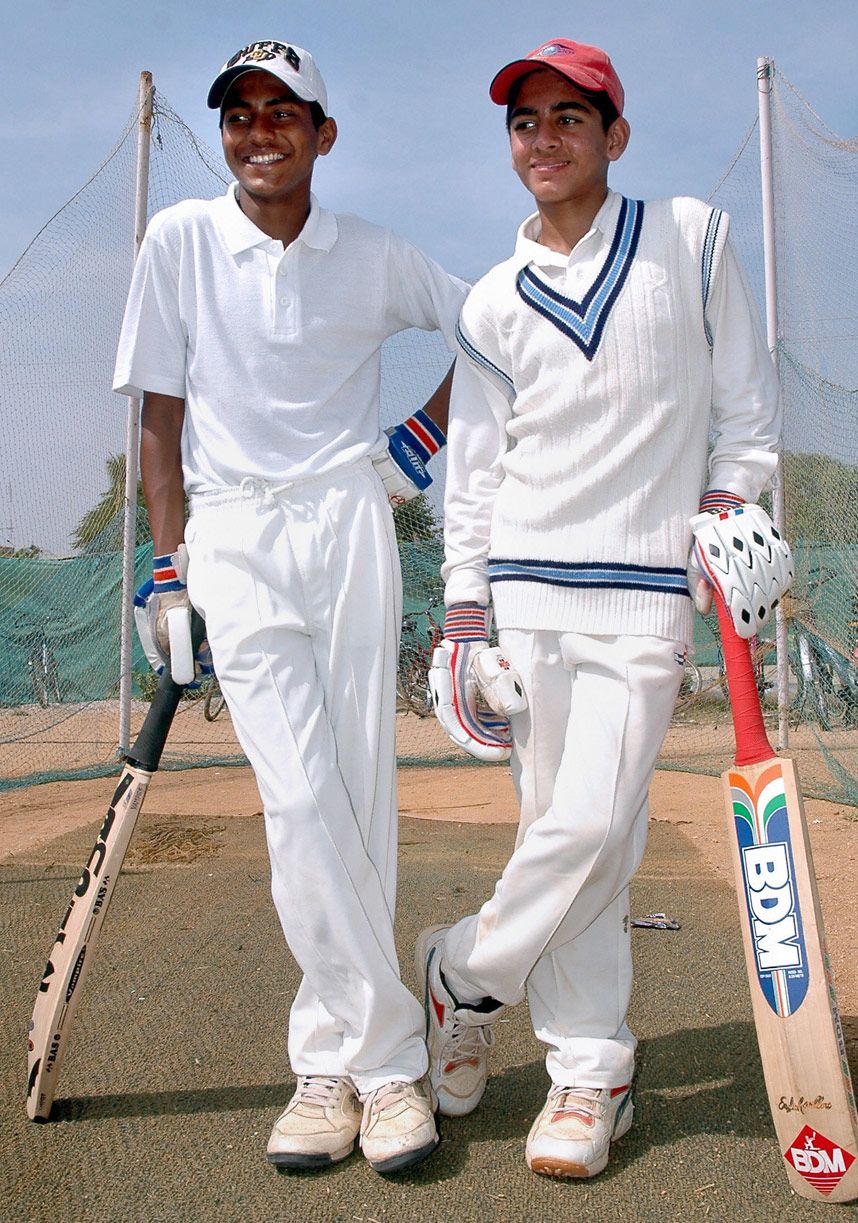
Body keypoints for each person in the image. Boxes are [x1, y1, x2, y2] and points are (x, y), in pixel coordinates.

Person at [420, 37, 790, 1180]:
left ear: (613, 134)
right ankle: (591, 1067)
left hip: (644, 592)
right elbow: (473, 473)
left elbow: (750, 419)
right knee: (570, 834)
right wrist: (462, 615)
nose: (544, 137)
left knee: (591, 829)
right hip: (525, 593)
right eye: (524, 121)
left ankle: (458, 971)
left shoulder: (691, 236)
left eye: (568, 118)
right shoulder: (489, 302)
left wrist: (731, 504)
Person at [113, 39, 467, 1176]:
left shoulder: (372, 253)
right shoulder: (178, 242)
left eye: (283, 113)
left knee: (357, 786)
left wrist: (417, 443)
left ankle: (333, 1062)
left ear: (323, 133)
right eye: (240, 114)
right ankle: (385, 1060)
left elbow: (494, 329)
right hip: (231, 531)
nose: (259, 132)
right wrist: (167, 567)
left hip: (349, 519)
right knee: (300, 797)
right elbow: (158, 418)